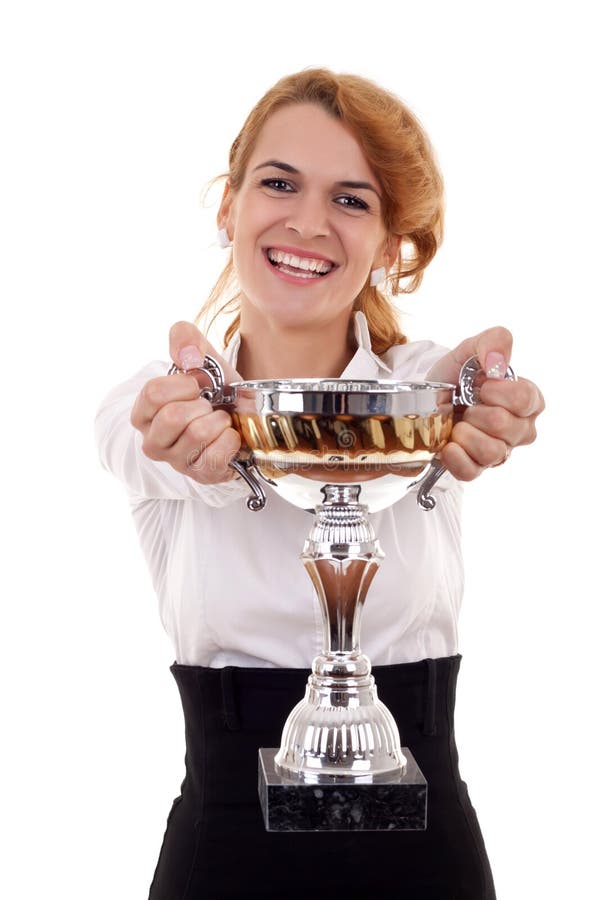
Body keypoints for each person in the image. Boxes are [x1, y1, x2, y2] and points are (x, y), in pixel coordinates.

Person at [95, 68, 544, 899]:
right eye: (278, 183)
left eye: (351, 200)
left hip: (425, 847)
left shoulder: (419, 392)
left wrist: (476, 401)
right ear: (228, 205)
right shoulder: (149, 400)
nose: (307, 221)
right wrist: (205, 443)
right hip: (228, 849)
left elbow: (446, 384)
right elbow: (142, 441)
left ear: (392, 247)